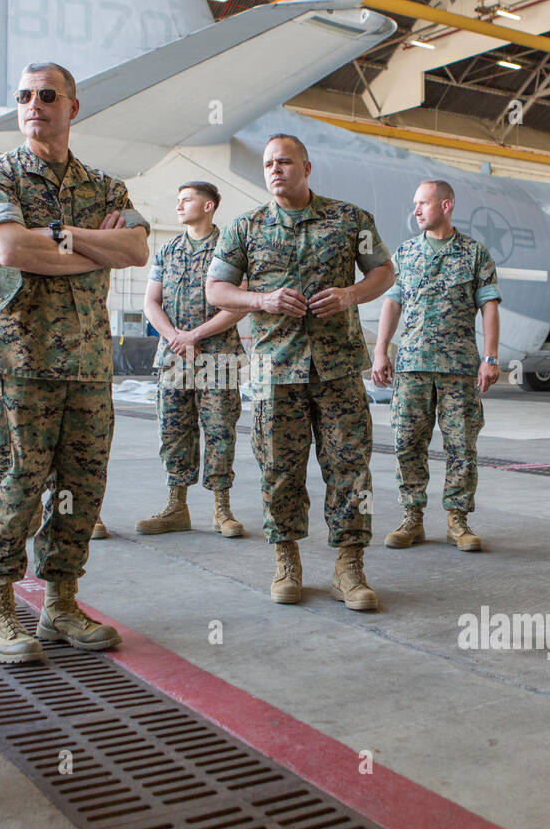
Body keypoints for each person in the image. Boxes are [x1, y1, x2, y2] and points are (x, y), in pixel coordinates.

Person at [0, 61, 149, 664]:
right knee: (13, 485)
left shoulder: (105, 186)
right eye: (23, 95)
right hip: (17, 360)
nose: (33, 104)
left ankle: (59, 604)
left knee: (82, 488)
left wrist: (58, 240)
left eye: (47, 95)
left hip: (89, 364)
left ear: (74, 107)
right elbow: (10, 248)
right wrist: (90, 247)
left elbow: (137, 248)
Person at [207, 134, 394, 610]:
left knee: (349, 469)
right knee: (279, 470)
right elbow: (216, 289)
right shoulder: (244, 227)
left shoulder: (351, 219)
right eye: (269, 163)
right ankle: (286, 560)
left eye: (285, 162)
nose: (274, 170)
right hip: (275, 371)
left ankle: (349, 567)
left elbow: (384, 272)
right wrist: (261, 300)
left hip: (337, 370)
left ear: (306, 167)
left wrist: (350, 294)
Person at [372, 180, 502, 552]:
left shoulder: (474, 254)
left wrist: (490, 358)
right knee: (406, 442)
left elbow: (490, 307)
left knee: (462, 445)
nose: (415, 211)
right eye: (414, 204)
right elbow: (392, 304)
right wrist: (381, 351)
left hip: (459, 367)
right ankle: (411, 518)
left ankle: (457, 521)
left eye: (422, 203)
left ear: (445, 206)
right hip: (411, 365)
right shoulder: (405, 253)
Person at [138, 182, 246, 537]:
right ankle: (176, 506)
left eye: (187, 199)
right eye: (178, 198)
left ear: (209, 206)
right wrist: (175, 338)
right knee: (173, 430)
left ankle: (221, 510)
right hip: (173, 357)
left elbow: (238, 304)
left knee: (219, 431)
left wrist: (195, 336)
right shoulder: (167, 250)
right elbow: (151, 302)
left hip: (218, 356)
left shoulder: (230, 249)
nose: (179, 205)